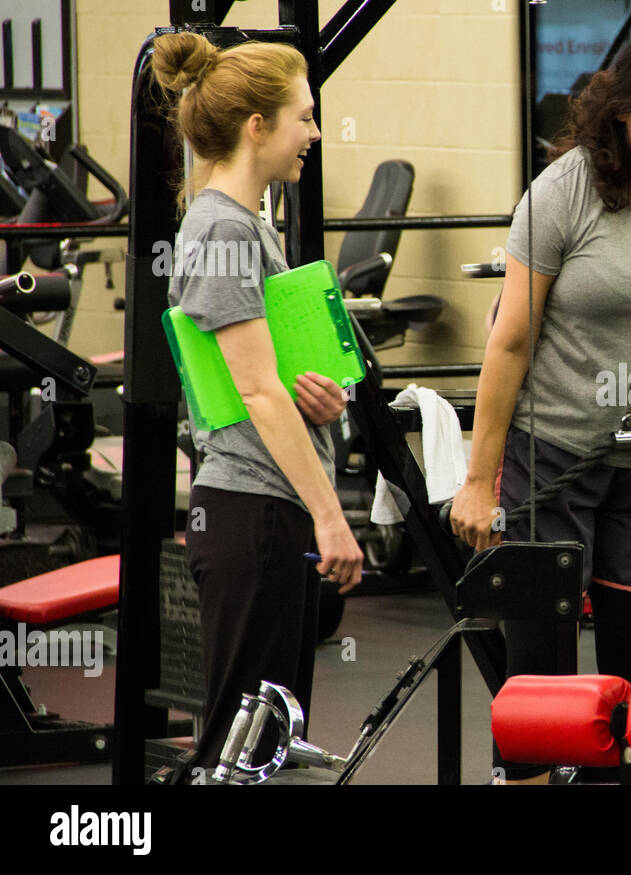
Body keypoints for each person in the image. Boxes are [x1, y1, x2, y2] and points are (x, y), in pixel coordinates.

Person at [450, 28, 631, 783]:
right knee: (543, 684)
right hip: (550, 459)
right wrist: (479, 478)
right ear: (623, 117)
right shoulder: (563, 191)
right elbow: (508, 344)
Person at [152, 32, 364, 775]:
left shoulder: (248, 226)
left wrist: (322, 398)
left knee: (266, 751)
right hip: (255, 512)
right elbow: (255, 390)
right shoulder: (222, 228)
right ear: (257, 126)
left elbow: (274, 382)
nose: (312, 132)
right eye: (304, 117)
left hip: (268, 510)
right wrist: (333, 515)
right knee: (238, 759)